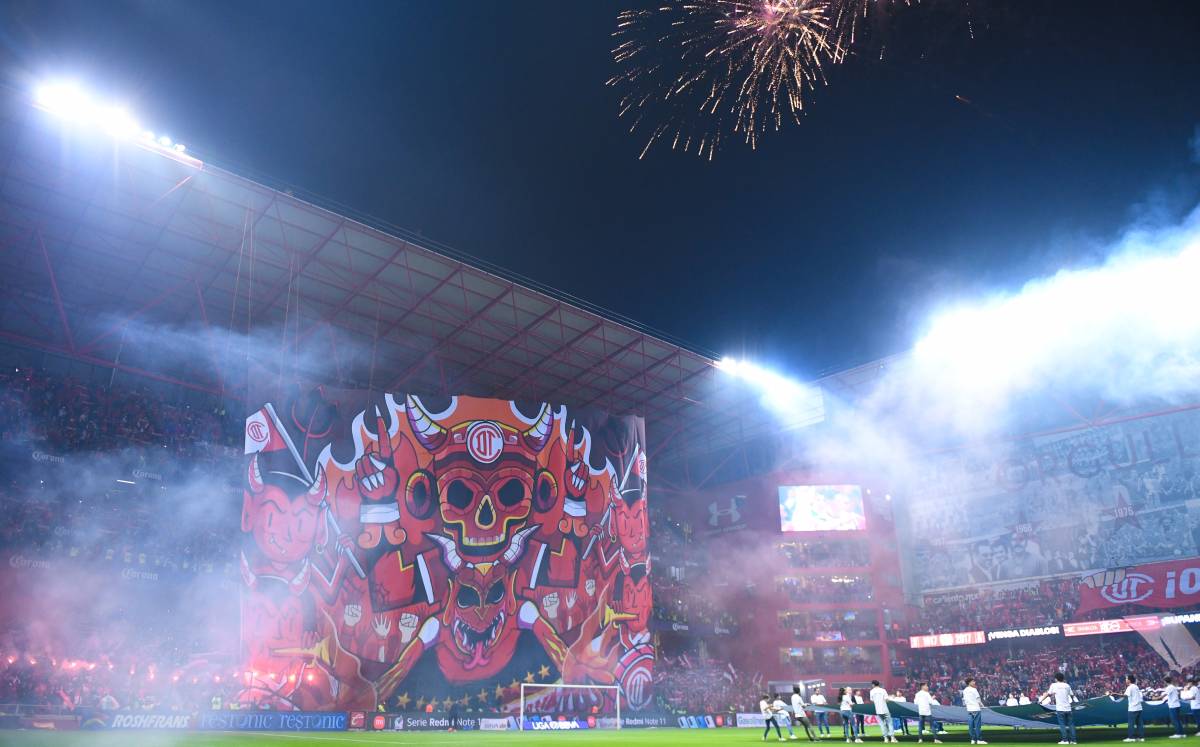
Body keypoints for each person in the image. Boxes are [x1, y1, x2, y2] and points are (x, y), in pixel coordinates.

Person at [1039, 672, 1077, 745]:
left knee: (1062, 725)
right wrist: (1073, 702)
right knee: (1071, 725)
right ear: (1063, 678)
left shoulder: (1054, 685)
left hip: (1060, 708)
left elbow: (1048, 694)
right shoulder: (1067, 685)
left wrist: (1041, 700)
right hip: (1068, 708)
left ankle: (1065, 740)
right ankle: (1073, 741)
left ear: (1056, 679)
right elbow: (1072, 695)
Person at [1118, 674, 1145, 743]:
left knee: (1131, 724)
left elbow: (1125, 696)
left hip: (1133, 708)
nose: (1125, 680)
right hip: (1139, 707)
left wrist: (1115, 694)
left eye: (1126, 678)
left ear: (1129, 680)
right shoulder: (1136, 686)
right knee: (1140, 724)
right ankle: (1141, 738)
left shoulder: (1130, 687)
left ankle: (1131, 737)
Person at [962, 677, 985, 745]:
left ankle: (972, 739)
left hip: (969, 709)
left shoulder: (964, 691)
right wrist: (983, 706)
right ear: (969, 683)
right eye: (973, 681)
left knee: (971, 725)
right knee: (977, 725)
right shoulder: (974, 689)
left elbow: (964, 701)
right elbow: (978, 700)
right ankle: (979, 740)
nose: (974, 682)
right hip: (976, 709)